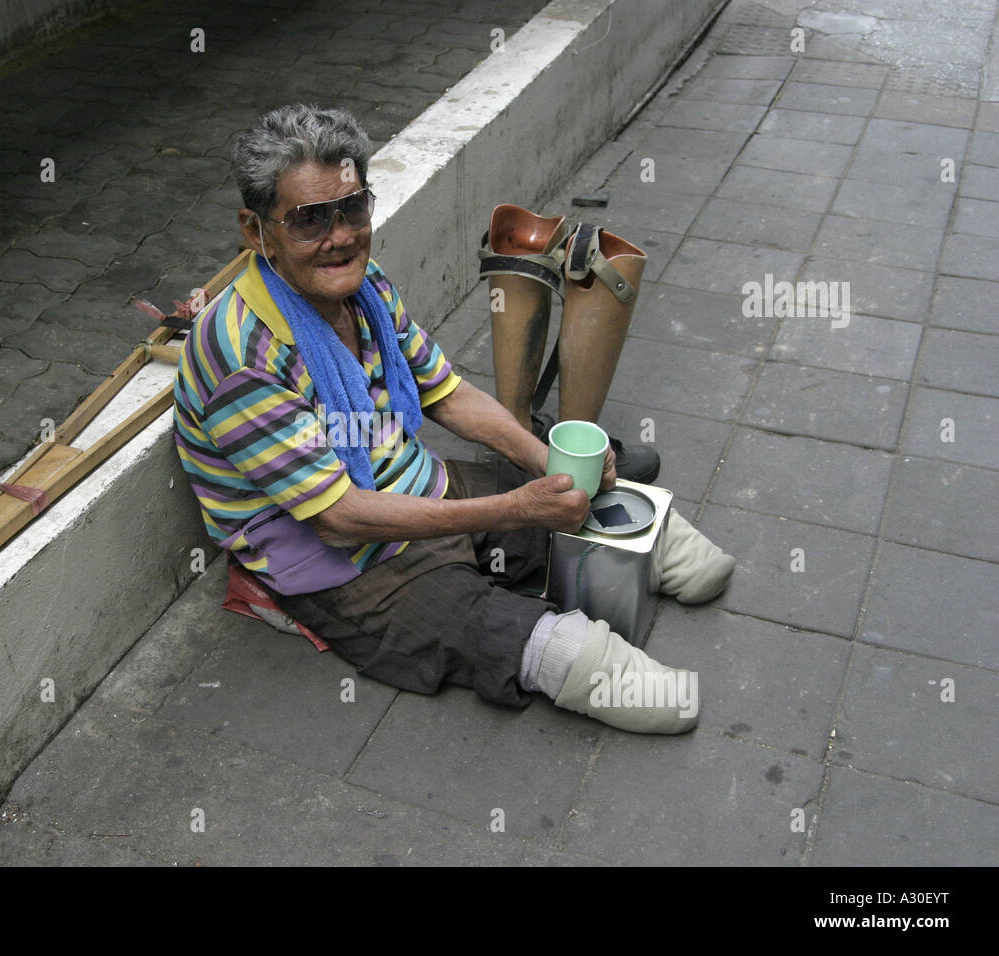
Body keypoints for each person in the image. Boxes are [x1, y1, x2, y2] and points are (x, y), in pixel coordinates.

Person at [173, 105, 735, 734]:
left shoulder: (365, 286)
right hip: (331, 553)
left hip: (411, 484)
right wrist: (518, 507)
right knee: (489, 623)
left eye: (352, 209)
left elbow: (444, 392)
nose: (340, 237)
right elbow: (341, 516)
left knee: (610, 525)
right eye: (309, 219)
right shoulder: (239, 353)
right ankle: (560, 644)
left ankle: (618, 548)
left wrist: (546, 463)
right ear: (256, 231)